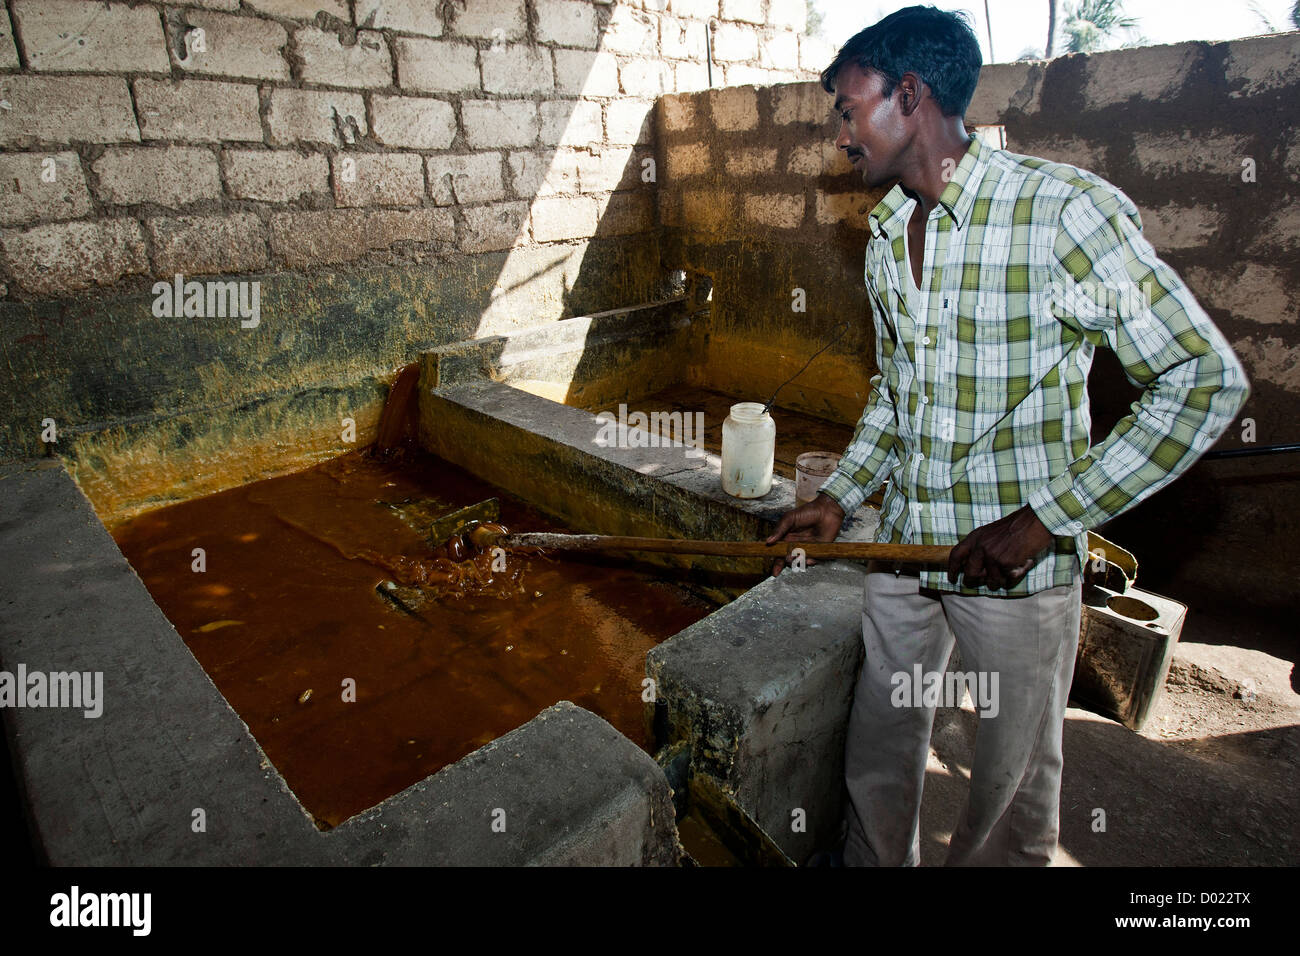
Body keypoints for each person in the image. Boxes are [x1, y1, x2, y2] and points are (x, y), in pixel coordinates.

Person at [766, 5, 1249, 866]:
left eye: (848, 108)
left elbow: (1202, 381)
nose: (840, 134)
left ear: (908, 95)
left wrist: (1044, 521)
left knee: (1012, 783)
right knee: (883, 739)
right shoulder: (885, 240)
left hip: (1017, 564)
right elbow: (896, 394)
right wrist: (843, 494)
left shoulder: (1063, 214)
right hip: (908, 549)